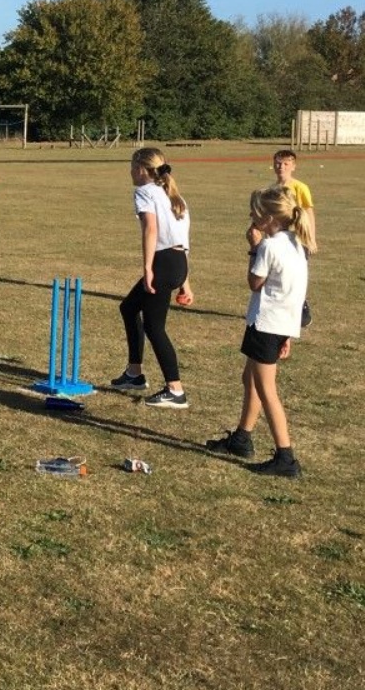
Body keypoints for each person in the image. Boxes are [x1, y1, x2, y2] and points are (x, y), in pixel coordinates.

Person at [206, 185, 315, 477]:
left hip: (266, 323)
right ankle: (242, 438)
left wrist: (253, 249)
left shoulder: (269, 246)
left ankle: (286, 457)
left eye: (255, 214)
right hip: (279, 324)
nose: (251, 218)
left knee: (267, 390)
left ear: (268, 219)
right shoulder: (296, 244)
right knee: (249, 378)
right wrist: (289, 334)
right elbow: (295, 291)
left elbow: (255, 283)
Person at [111, 148, 191, 407]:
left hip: (163, 262)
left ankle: (175, 390)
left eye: (132, 166)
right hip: (177, 263)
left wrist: (148, 268)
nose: (130, 172)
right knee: (129, 307)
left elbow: (151, 230)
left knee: (155, 327)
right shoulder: (173, 195)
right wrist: (185, 282)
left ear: (142, 170)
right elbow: (183, 241)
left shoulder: (145, 192)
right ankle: (134, 373)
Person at [268, 148, 316, 327]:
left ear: (293, 166)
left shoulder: (300, 187)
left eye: (286, 164)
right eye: (278, 163)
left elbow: (308, 213)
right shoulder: (272, 189)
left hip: (297, 239)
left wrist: (311, 238)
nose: (281, 167)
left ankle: (302, 306)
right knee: (278, 274)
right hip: (278, 239)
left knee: (297, 274)